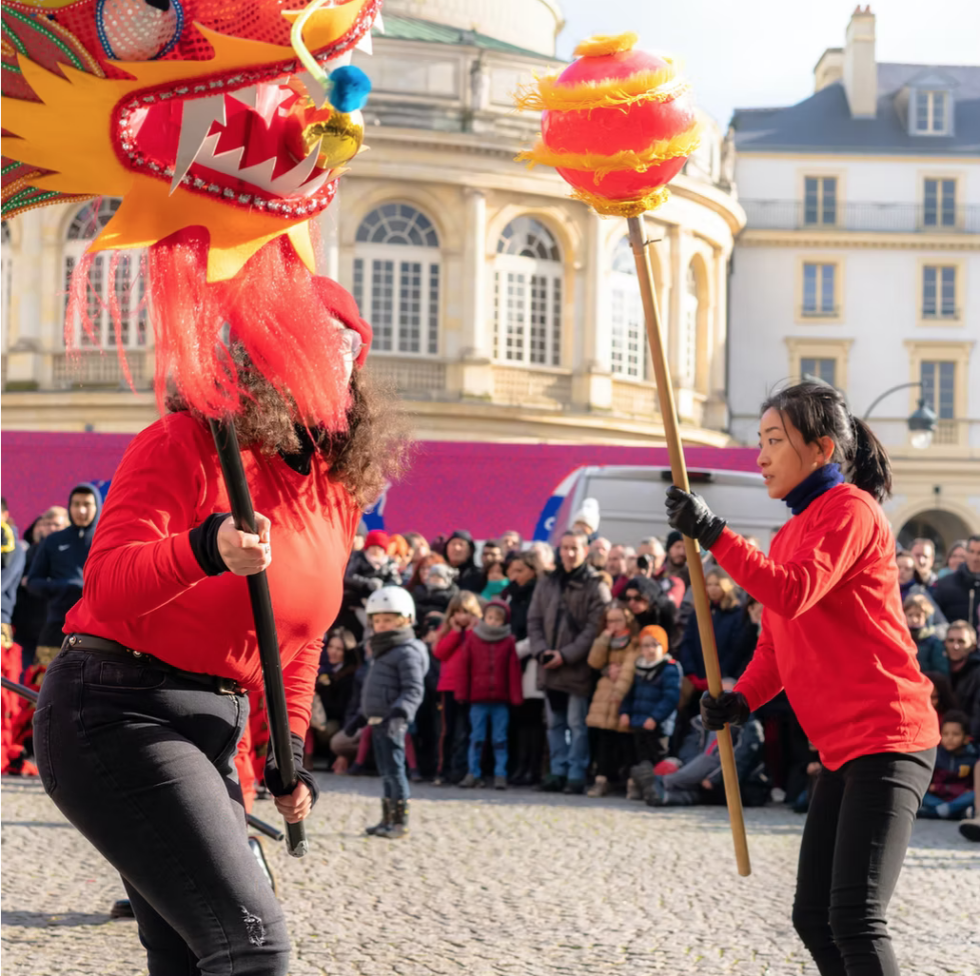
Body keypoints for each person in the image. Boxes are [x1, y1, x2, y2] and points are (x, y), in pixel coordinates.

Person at [34, 332, 405, 973]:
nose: (336, 371)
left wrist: (287, 747)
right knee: (253, 948)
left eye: (348, 358)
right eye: (320, 347)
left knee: (186, 958)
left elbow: (305, 634)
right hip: (119, 711)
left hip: (214, 726)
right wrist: (205, 550)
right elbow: (107, 583)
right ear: (270, 357)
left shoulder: (335, 493)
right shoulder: (186, 441)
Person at [667, 379, 938, 976]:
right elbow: (776, 641)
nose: (759, 455)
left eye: (773, 440)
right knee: (814, 917)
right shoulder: (791, 531)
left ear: (819, 449)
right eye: (758, 440)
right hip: (844, 747)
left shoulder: (853, 511)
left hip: (890, 736)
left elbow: (792, 592)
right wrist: (741, 701)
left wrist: (713, 534)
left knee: (857, 918)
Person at [527, 529, 611, 795]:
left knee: (577, 724)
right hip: (548, 665)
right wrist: (541, 651)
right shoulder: (547, 582)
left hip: (576, 668)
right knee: (554, 724)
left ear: (585, 551)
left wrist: (566, 655)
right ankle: (557, 771)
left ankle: (576, 773)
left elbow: (594, 629)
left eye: (575, 548)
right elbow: (534, 620)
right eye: (565, 548)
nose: (569, 553)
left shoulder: (596, 585)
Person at [357, 587, 428, 839]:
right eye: (377, 620)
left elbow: (413, 689)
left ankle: (400, 822)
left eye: (388, 619)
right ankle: (387, 819)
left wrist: (399, 715)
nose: (381, 625)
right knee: (386, 772)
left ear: (405, 619)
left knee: (396, 771)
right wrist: (360, 715)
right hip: (377, 722)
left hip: (392, 723)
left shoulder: (407, 651)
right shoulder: (382, 650)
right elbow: (374, 689)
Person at [26, 483, 102, 664]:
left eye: (87, 504)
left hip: (98, 630)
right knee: (43, 687)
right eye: (76, 504)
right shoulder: (53, 541)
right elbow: (33, 582)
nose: (81, 510)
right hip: (57, 626)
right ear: (69, 506)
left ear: (97, 507)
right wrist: (64, 586)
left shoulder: (106, 538)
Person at [454, 598, 523, 789]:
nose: (493, 622)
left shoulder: (508, 641)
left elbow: (513, 670)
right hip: (478, 698)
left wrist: (516, 696)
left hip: (500, 700)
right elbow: (464, 667)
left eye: (497, 619)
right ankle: (473, 772)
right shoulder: (474, 639)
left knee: (500, 739)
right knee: (476, 738)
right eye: (490, 617)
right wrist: (461, 692)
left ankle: (500, 773)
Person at [642, 708, 767, 809]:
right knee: (679, 766)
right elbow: (691, 749)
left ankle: (661, 784)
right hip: (705, 777)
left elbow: (740, 760)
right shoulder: (703, 723)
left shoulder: (749, 727)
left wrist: (714, 779)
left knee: (709, 761)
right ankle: (660, 788)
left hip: (739, 785)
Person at [585, 602, 640, 797]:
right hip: (603, 696)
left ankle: (631, 783)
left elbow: (628, 669)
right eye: (610, 620)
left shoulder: (634, 642)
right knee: (604, 741)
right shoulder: (606, 640)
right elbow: (594, 661)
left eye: (618, 620)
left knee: (627, 741)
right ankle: (601, 780)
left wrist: (619, 693)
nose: (613, 624)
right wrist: (603, 640)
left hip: (623, 695)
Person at [618, 624, 681, 788]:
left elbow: (671, 697)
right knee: (641, 758)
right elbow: (630, 693)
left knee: (658, 758)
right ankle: (641, 786)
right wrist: (624, 712)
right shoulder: (639, 668)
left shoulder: (670, 668)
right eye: (646, 645)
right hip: (639, 722)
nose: (650, 649)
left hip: (658, 725)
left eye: (655, 644)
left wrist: (655, 717)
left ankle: (659, 787)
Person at [676, 569, 749, 706]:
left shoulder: (736, 614)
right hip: (695, 678)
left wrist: (716, 676)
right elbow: (687, 642)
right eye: (709, 584)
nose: (712, 589)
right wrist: (692, 672)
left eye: (716, 584)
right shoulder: (698, 612)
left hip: (723, 679)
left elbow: (735, 650)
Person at [432, 591, 483, 785]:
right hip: (449, 686)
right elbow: (440, 652)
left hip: (471, 687)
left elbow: (475, 653)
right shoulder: (445, 631)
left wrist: (469, 632)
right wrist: (455, 633)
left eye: (466, 612)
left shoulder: (478, 632)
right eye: (458, 612)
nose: (462, 616)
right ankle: (443, 770)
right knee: (448, 730)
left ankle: (464, 769)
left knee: (468, 730)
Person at [503, 552, 544, 786]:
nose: (514, 576)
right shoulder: (511, 596)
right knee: (518, 718)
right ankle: (519, 767)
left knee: (533, 718)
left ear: (532, 570)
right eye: (513, 570)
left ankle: (532, 768)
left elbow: (539, 627)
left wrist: (517, 649)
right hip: (513, 661)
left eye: (520, 570)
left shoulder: (538, 593)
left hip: (531, 659)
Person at [340, 529, 402, 639]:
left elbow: (396, 581)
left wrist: (382, 586)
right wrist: (367, 583)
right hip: (360, 601)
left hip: (383, 603)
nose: (376, 551)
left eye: (379, 548)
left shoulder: (389, 563)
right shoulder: (359, 558)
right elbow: (349, 576)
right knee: (369, 626)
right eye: (373, 547)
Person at [917, 711, 976, 821]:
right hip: (938, 798)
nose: (949, 738)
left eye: (956, 734)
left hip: (960, 797)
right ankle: (951, 811)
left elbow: (971, 788)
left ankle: (935, 812)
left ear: (966, 738)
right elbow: (930, 786)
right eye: (945, 734)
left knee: (975, 795)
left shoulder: (972, 757)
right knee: (920, 794)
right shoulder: (936, 754)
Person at [312, 628, 359, 762]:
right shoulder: (326, 670)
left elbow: (342, 709)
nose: (333, 651)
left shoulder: (350, 676)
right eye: (331, 647)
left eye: (339, 649)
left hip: (340, 723)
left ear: (347, 652)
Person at [932, 535, 980, 630]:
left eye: (979, 553)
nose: (975, 558)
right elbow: (934, 618)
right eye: (971, 552)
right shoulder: (944, 584)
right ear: (966, 553)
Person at [945, 620, 980, 740]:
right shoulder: (939, 669)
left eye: (961, 641)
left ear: (972, 646)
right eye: (951, 641)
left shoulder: (977, 673)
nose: (955, 646)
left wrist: (969, 737)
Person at [903, 594, 947, 675]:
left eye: (918, 615)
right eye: (910, 615)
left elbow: (941, 672)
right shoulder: (900, 639)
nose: (914, 619)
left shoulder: (933, 642)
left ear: (926, 618)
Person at [411, 559, 458, 625]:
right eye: (432, 576)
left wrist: (441, 616)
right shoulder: (420, 590)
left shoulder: (451, 594)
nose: (434, 579)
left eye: (438, 576)